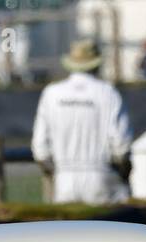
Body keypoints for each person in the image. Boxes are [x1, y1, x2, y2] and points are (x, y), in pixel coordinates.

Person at [31, 38, 134, 204]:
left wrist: (56, 171)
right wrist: (124, 172)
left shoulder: (52, 93)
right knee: (110, 228)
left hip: (64, 179)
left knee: (70, 229)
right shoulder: (108, 93)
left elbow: (40, 148)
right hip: (102, 174)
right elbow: (121, 145)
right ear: (97, 63)